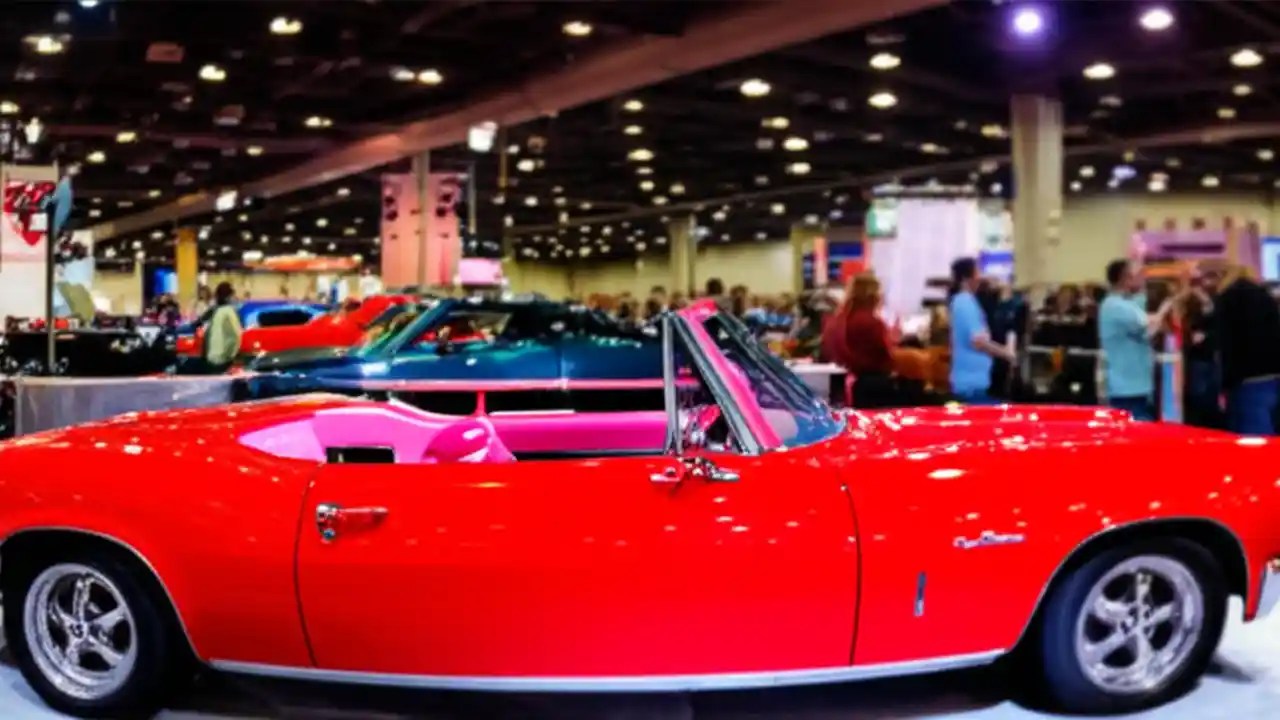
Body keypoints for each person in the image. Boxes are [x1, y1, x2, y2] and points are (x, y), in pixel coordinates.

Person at [1098, 260, 1174, 421]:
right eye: (1139, 275)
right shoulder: (1115, 306)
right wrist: (1165, 308)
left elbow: (1151, 325)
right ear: (1126, 278)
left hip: (1138, 384)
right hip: (1126, 388)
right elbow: (1150, 323)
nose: (1144, 279)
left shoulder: (1128, 303)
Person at [1216, 264, 1280, 435]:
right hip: (1273, 372)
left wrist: (1225, 383)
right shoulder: (1266, 297)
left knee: (1251, 431)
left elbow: (1227, 344)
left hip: (1245, 377)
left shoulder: (1228, 299)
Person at [948, 258, 1015, 404]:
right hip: (971, 385)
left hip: (973, 382)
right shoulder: (965, 303)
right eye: (977, 272)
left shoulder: (964, 302)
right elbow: (978, 341)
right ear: (966, 278)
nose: (980, 277)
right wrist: (1005, 353)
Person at [826, 273, 895, 408]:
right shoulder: (872, 322)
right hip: (875, 385)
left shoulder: (838, 320)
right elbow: (885, 355)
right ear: (873, 296)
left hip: (850, 381)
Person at [202, 282, 243, 374]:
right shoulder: (228, 312)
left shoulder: (217, 311)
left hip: (214, 359)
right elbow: (236, 335)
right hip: (221, 360)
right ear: (228, 297)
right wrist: (230, 356)